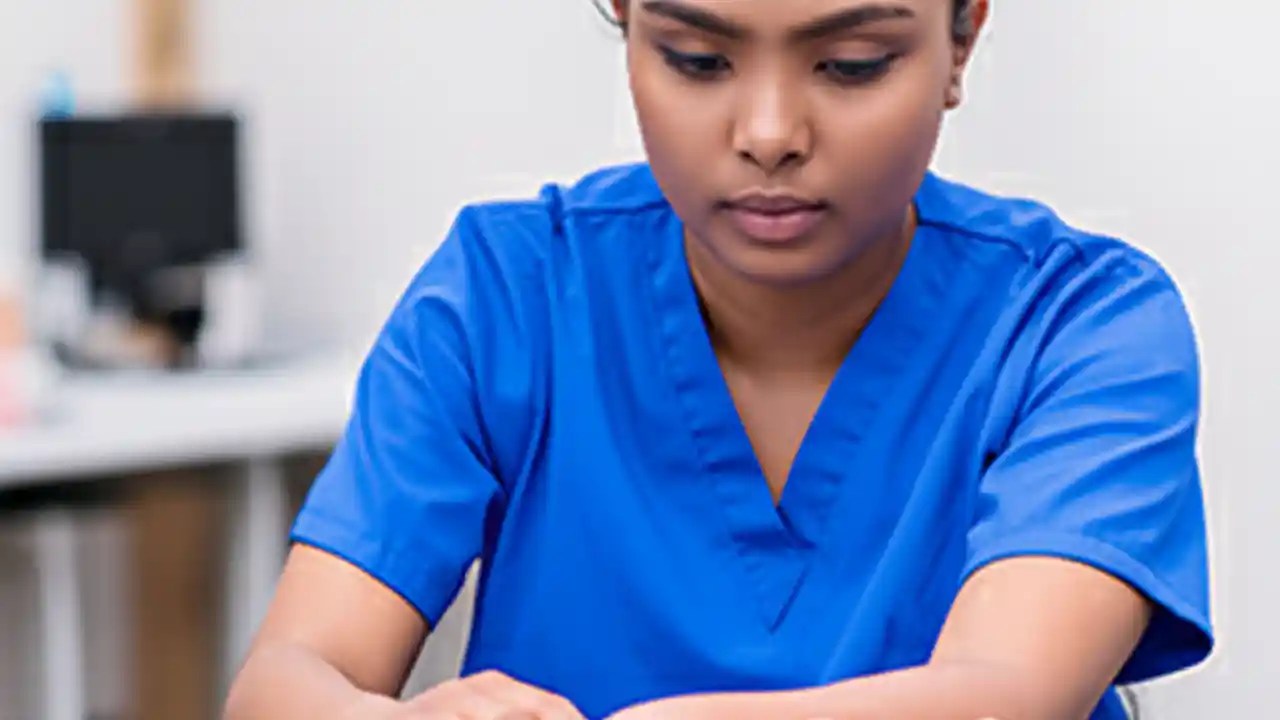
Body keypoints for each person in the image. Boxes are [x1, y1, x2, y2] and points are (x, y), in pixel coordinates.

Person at [224, 1, 1213, 718]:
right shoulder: (505, 295)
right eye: (697, 59)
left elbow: (1005, 697)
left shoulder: (1077, 324)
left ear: (961, 39)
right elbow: (285, 679)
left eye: (852, 62)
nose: (769, 133)